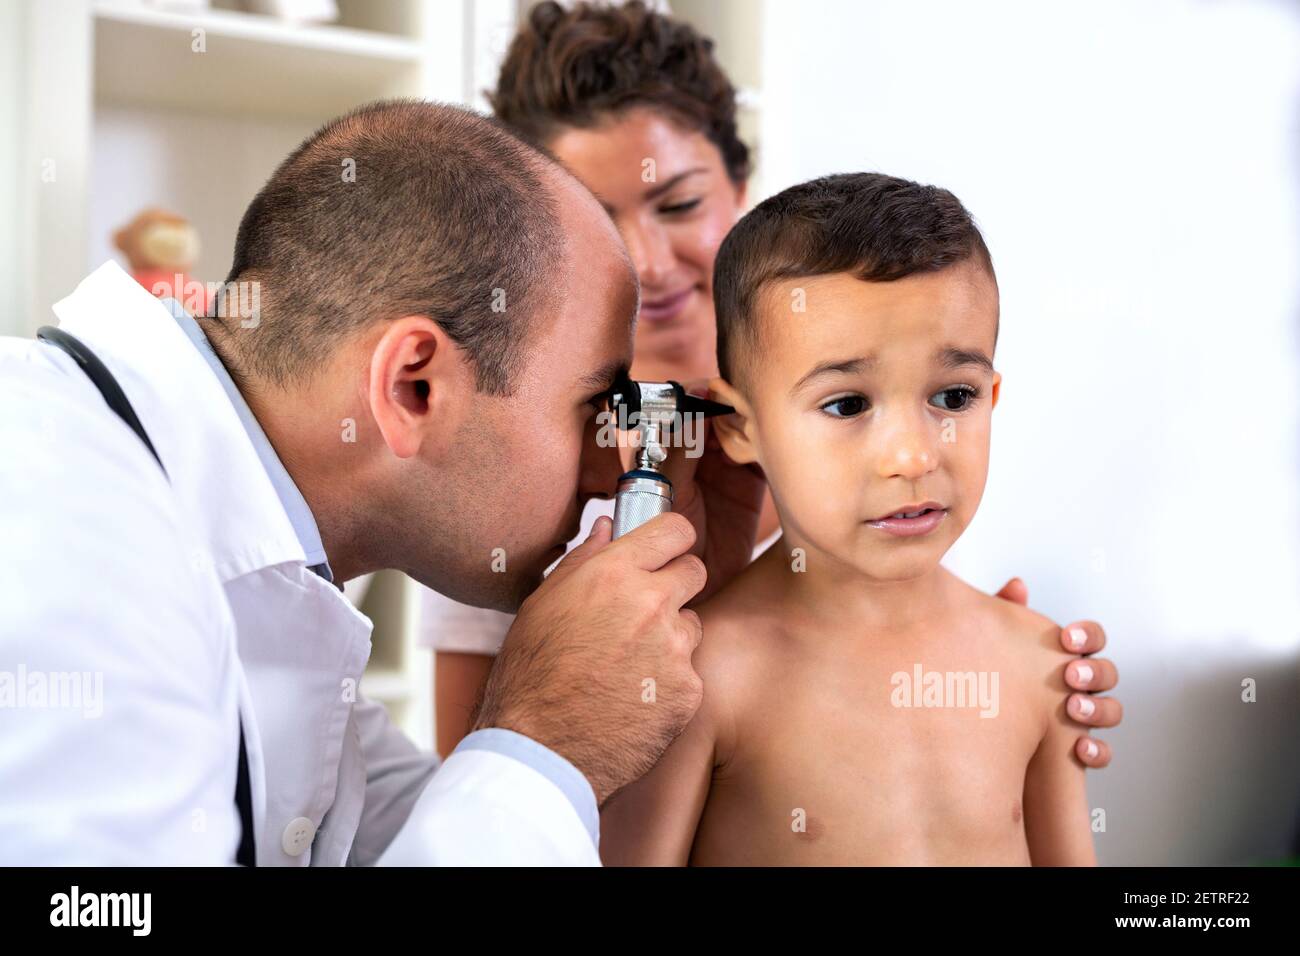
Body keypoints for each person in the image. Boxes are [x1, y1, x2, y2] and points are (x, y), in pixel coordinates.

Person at [0, 100, 757, 865]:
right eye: (592, 402)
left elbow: (436, 830)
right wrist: (545, 735)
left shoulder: (266, 600)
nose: (609, 466)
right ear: (412, 387)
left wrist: (696, 631)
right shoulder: (68, 538)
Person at [427, 0, 1123, 771]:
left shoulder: (915, 374)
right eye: (596, 221)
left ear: (740, 187)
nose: (648, 260)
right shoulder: (502, 487)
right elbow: (484, 803)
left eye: (681, 203)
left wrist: (1013, 682)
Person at [601, 173, 1098, 865]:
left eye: (954, 396)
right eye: (846, 405)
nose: (912, 455)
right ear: (741, 428)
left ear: (994, 395)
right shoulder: (702, 678)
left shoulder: (1040, 660)